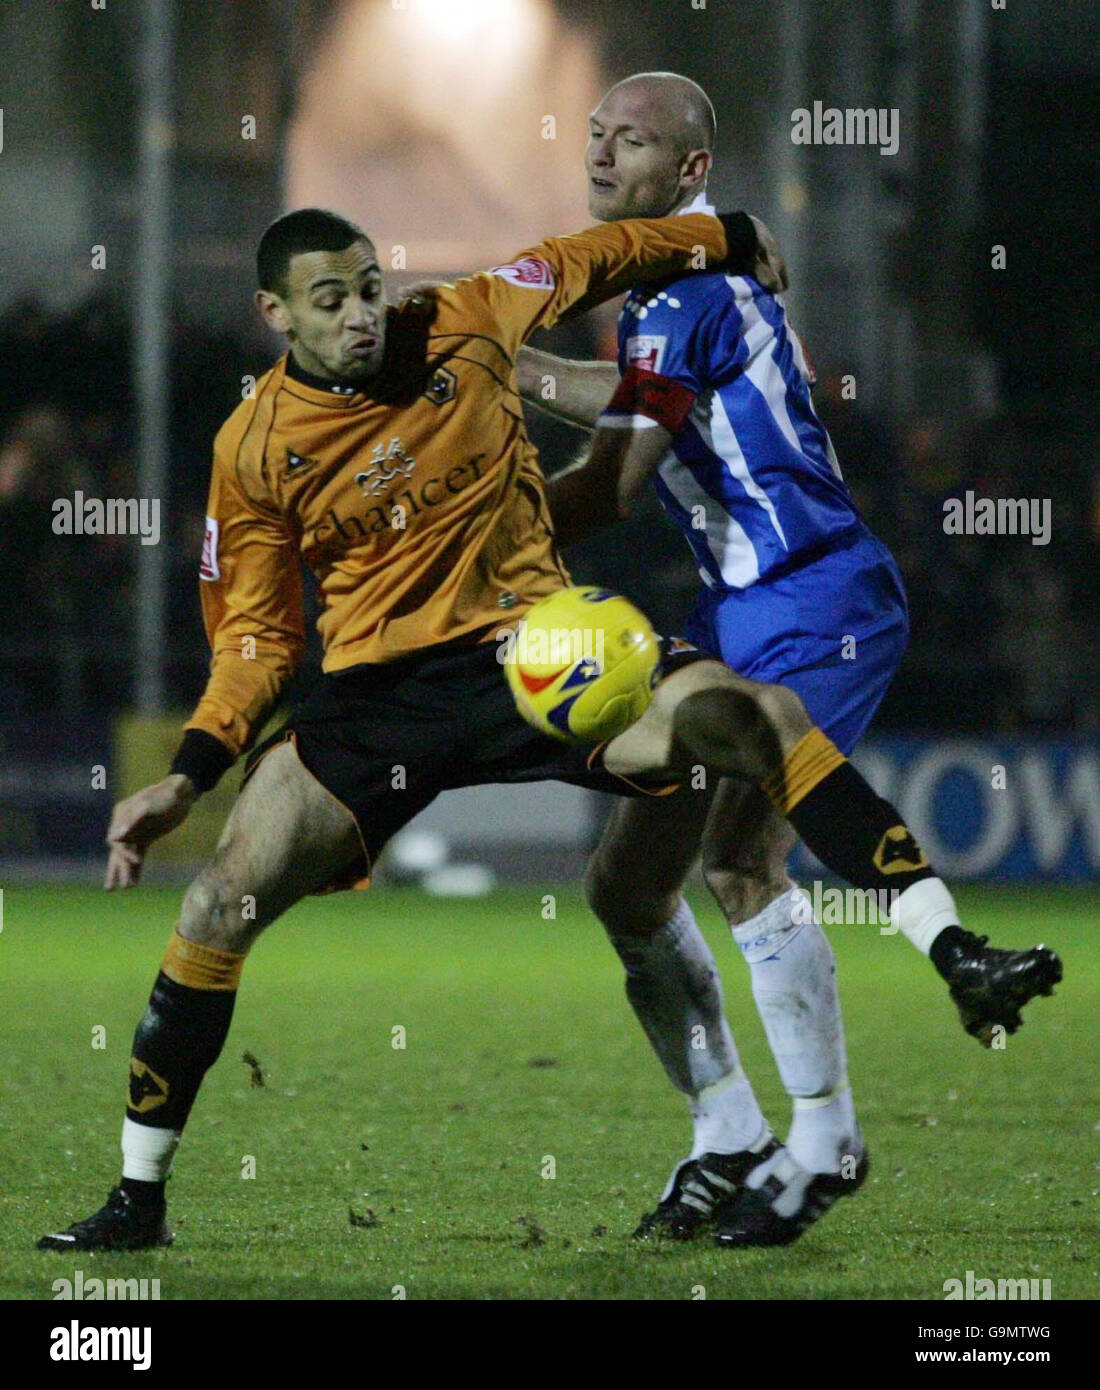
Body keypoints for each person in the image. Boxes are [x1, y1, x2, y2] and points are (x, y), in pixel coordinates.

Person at [37, 206, 1055, 1254]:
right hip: (375, 698)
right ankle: (137, 1197)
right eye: (328, 300)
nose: (359, 315)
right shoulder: (251, 450)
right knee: (217, 902)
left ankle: (945, 945)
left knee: (754, 717)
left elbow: (600, 256)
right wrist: (190, 775)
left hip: (537, 657)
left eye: (367, 288)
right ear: (274, 314)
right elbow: (254, 639)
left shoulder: (470, 314)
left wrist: (731, 233)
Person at [515, 72, 1061, 1247]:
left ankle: (820, 1138)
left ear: (692, 172)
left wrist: (481, 538)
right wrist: (501, 365)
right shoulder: (678, 296)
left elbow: (612, 482)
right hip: (744, 609)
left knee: (739, 857)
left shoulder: (686, 294)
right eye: (597, 135)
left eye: (637, 140)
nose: (605, 154)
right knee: (625, 884)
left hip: (816, 594)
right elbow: (623, 397)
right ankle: (725, 1135)